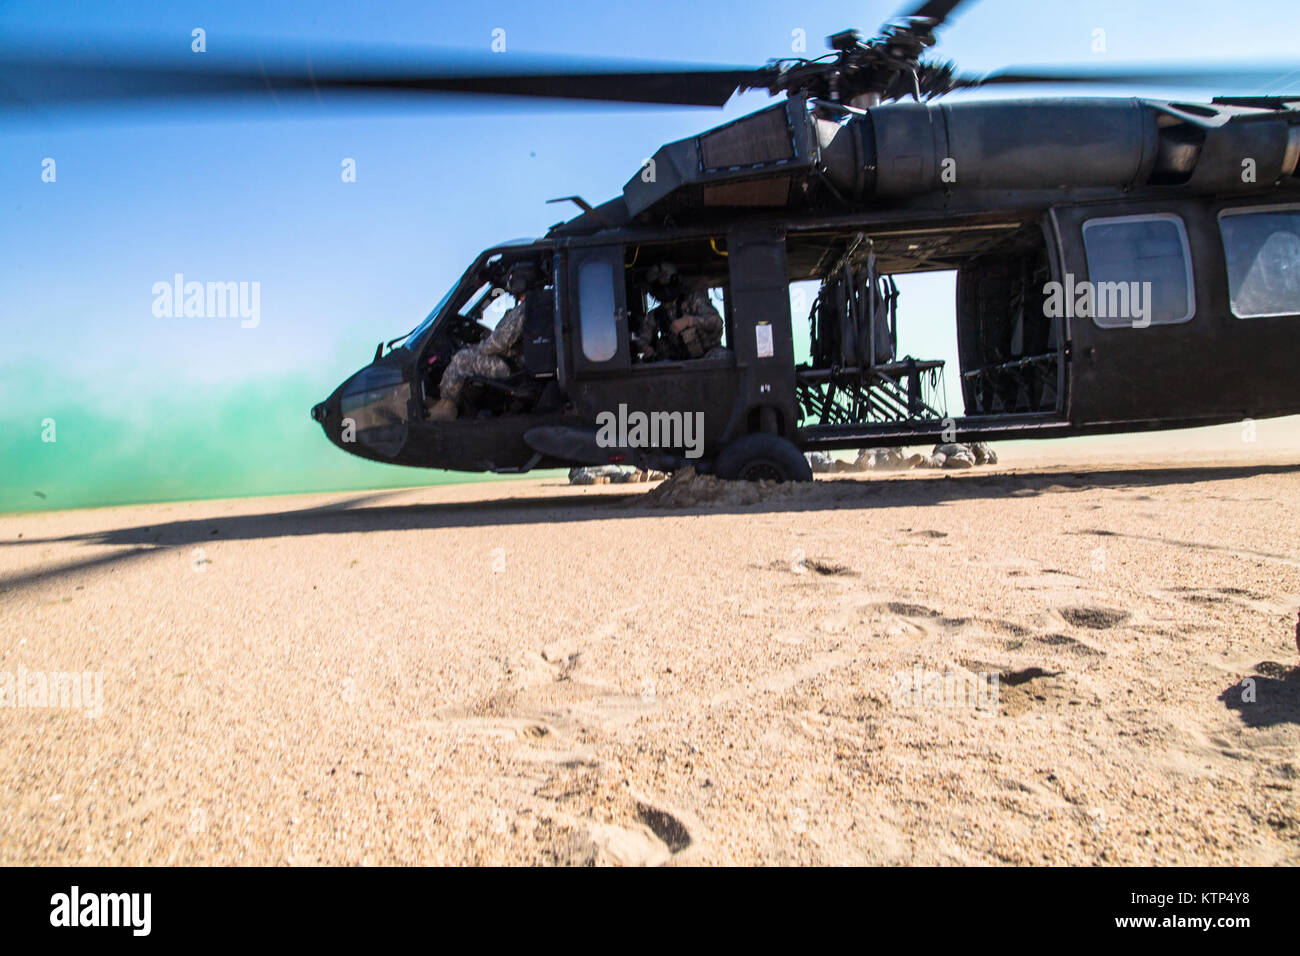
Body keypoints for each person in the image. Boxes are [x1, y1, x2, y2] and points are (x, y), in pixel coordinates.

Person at [429, 264, 534, 421]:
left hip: (513, 367)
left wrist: (476, 347)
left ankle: (446, 407)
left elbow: (499, 343)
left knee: (461, 359)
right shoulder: (533, 305)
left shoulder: (524, 309)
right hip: (518, 364)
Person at [635, 262, 724, 361]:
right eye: (660, 286)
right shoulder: (655, 315)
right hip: (676, 366)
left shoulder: (694, 301)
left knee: (723, 357)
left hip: (708, 357)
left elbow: (717, 322)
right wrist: (646, 349)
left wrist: (689, 321)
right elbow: (641, 340)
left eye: (669, 282)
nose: (666, 289)